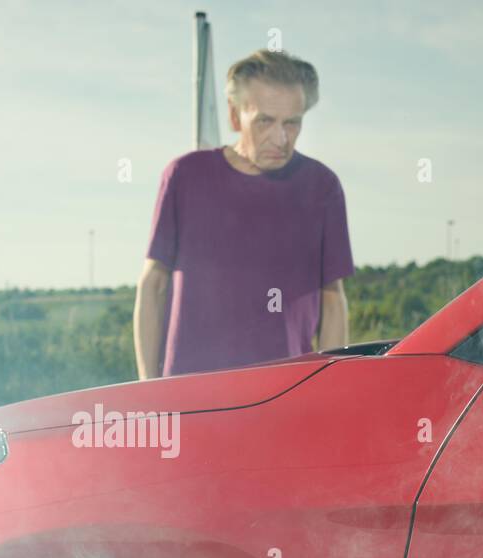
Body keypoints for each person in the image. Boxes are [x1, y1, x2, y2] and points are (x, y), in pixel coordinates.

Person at [134, 49, 354, 379]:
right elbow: (153, 285)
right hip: (189, 396)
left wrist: (329, 390)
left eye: (292, 123)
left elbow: (332, 300)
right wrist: (148, 390)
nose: (281, 138)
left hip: (287, 396)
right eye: (265, 121)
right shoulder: (184, 176)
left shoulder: (322, 187)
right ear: (235, 116)